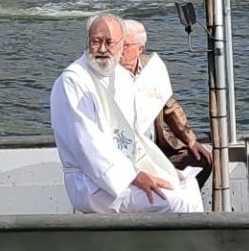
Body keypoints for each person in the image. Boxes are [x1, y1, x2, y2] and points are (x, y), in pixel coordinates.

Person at [50, 13, 203, 214]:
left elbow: (132, 134)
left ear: (121, 45)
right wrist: (134, 176)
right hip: (91, 182)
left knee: (187, 185)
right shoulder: (73, 81)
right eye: (96, 41)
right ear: (87, 41)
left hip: (127, 169)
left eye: (109, 42)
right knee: (174, 201)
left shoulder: (121, 77)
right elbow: (86, 142)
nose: (102, 49)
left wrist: (152, 169)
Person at [120, 19, 215, 183]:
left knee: (201, 160)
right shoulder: (110, 74)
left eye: (125, 45)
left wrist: (191, 140)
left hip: (156, 147)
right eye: (117, 44)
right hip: (128, 154)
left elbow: (169, 106)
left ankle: (180, 196)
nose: (118, 50)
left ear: (140, 48)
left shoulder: (151, 68)